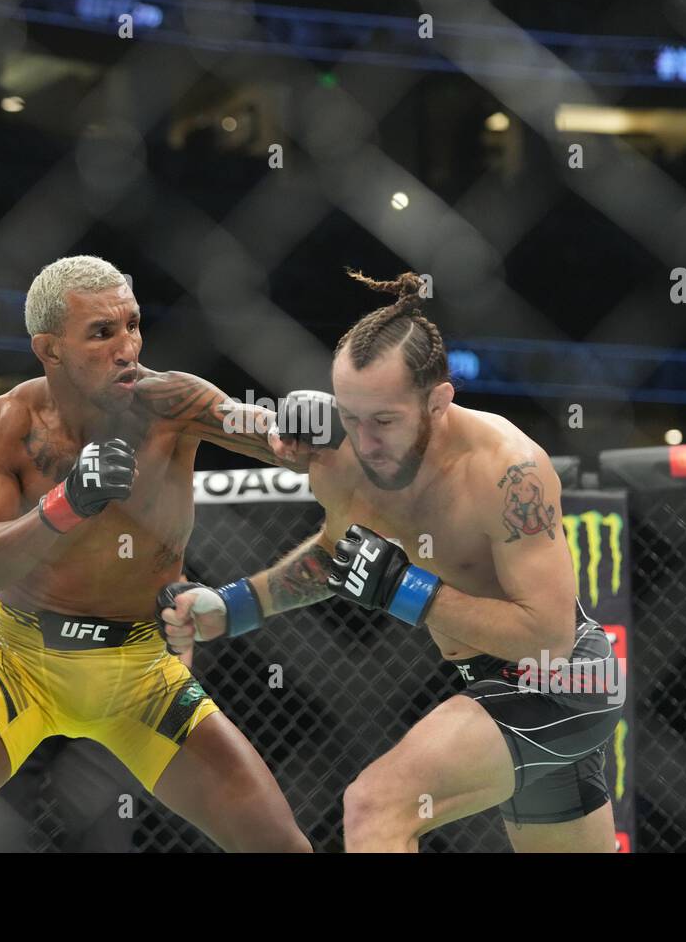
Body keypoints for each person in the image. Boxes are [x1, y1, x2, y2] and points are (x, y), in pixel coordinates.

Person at [158, 270, 622, 852]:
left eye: (384, 421)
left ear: (438, 401)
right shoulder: (348, 457)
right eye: (350, 417)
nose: (365, 441)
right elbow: (338, 560)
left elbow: (548, 639)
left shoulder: (509, 470)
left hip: (562, 681)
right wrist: (232, 606)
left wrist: (409, 589)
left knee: (376, 805)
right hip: (492, 686)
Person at [0, 255, 309, 853]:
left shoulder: (173, 401)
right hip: (19, 661)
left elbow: (267, 432)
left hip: (141, 669)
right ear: (49, 349)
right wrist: (69, 501)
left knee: (278, 846)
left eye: (132, 324)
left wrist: (303, 423)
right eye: (103, 333)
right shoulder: (3, 423)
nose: (128, 347)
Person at [0, 529, 139, 852]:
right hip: (15, 691)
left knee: (106, 841)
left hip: (103, 697)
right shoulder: (10, 499)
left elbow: (173, 597)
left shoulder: (133, 510)